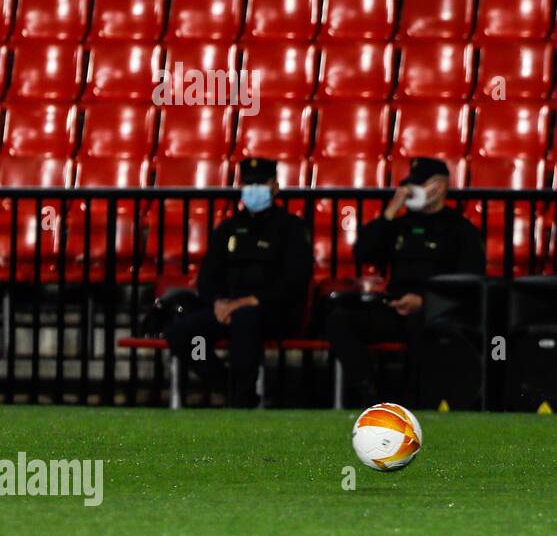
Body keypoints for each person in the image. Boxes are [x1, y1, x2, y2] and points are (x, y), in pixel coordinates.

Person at [326, 157, 486, 406]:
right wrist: (390, 211)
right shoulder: (399, 224)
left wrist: (424, 301)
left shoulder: (460, 230)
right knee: (340, 319)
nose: (411, 192)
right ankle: (371, 396)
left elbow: (470, 281)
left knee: (422, 327)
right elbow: (363, 252)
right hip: (394, 306)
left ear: (440, 187)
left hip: (435, 311)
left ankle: (413, 402)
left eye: (419, 185)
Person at [166, 157, 312, 407]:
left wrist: (249, 302)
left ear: (274, 187)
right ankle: (225, 384)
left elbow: (294, 280)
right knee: (185, 333)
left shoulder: (290, 228)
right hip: (227, 309)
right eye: (248, 183)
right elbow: (207, 277)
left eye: (260, 183)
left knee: (246, 319)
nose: (253, 188)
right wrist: (217, 303)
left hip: (271, 311)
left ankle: (243, 396)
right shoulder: (228, 229)